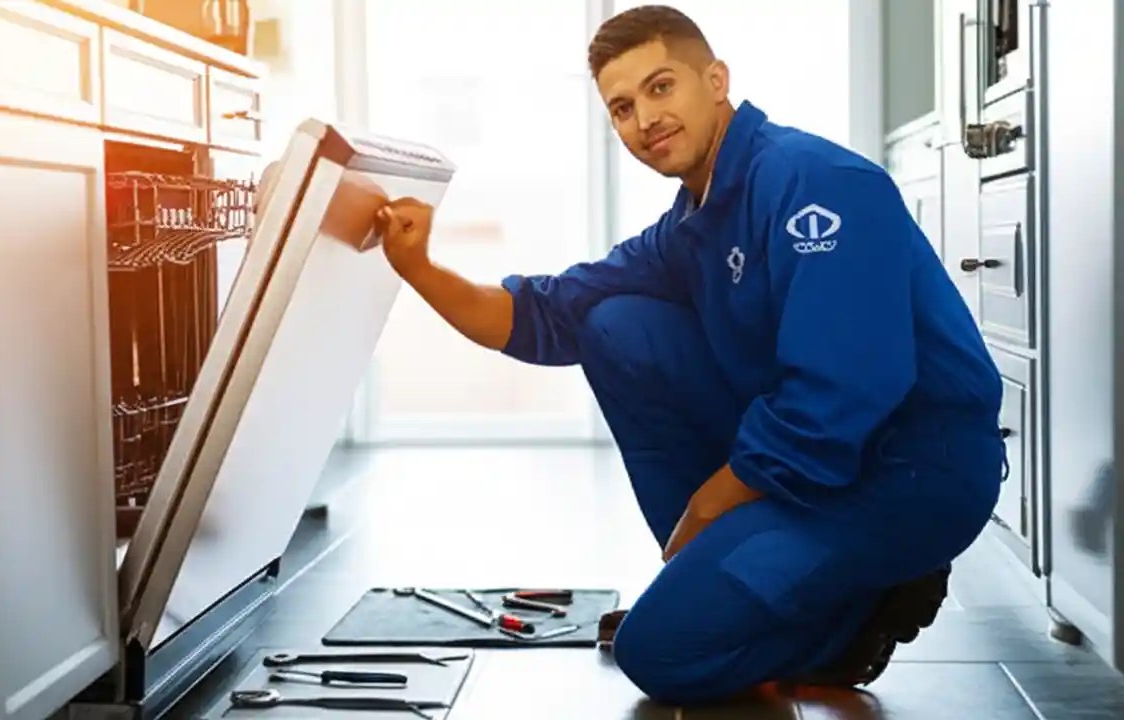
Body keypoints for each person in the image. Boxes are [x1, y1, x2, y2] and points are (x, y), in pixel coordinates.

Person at [373, 4, 1006, 705]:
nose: (643, 118)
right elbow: (545, 314)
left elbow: (847, 389)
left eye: (660, 87)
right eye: (621, 107)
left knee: (660, 653)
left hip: (911, 473)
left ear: (716, 79)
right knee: (613, 326)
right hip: (817, 466)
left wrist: (711, 505)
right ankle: (742, 594)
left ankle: (852, 619)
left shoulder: (813, 181)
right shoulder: (689, 227)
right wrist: (417, 266)